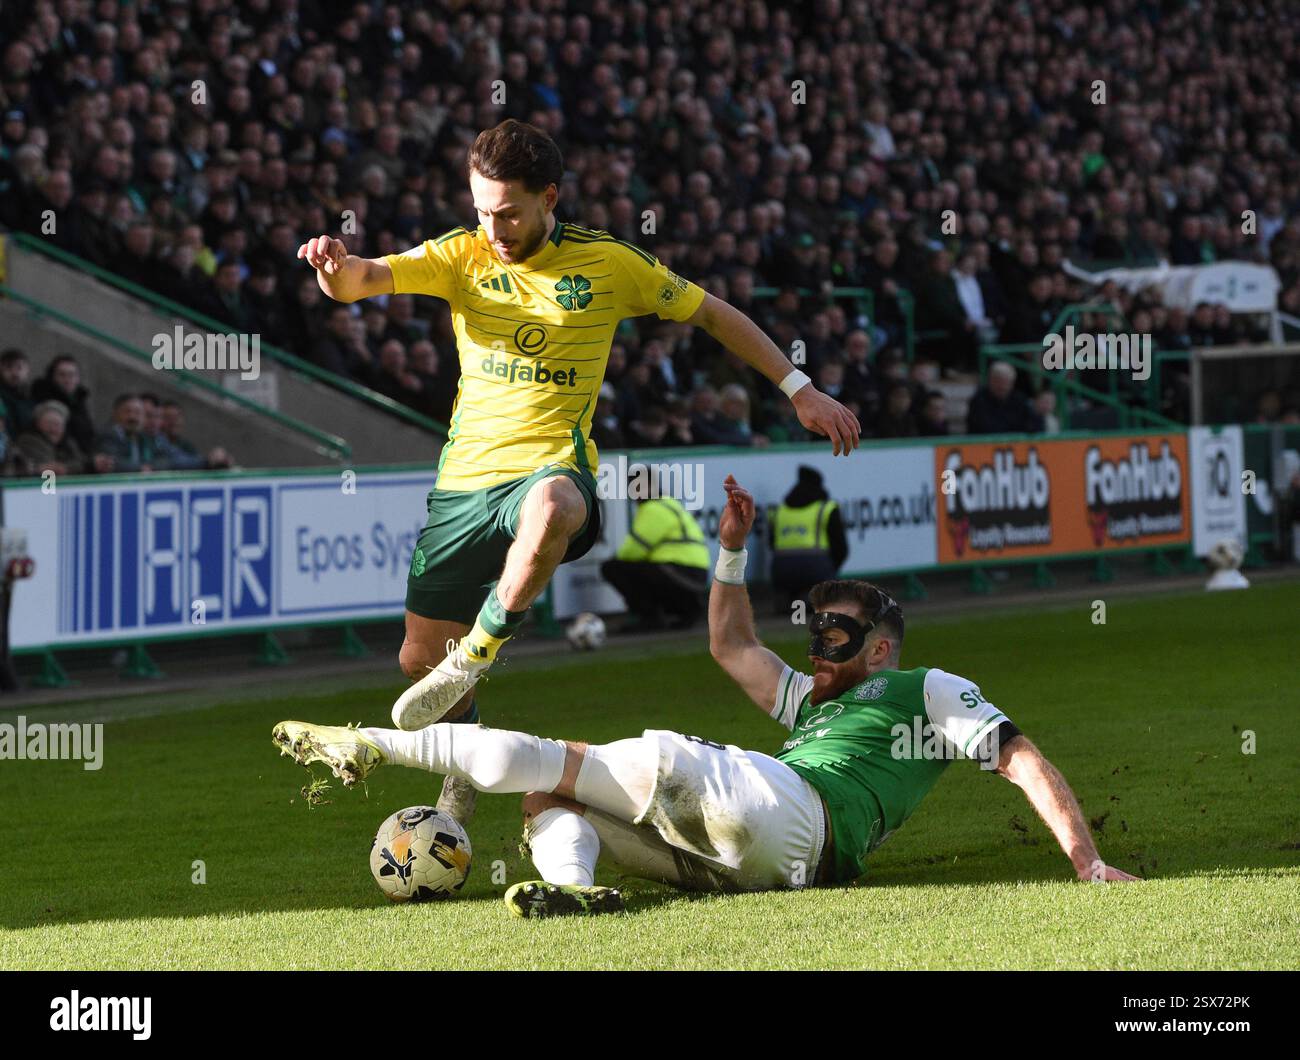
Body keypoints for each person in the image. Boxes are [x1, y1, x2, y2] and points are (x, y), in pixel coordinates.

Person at [295, 119, 860, 824]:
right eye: (481, 211)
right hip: (464, 485)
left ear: (549, 197)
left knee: (556, 504)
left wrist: (798, 388)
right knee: (416, 659)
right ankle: (465, 758)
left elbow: (713, 314)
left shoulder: (609, 264)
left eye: (507, 212)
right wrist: (331, 269)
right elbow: (365, 279)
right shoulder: (462, 254)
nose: (493, 227)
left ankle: (478, 652)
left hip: (552, 468)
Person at [272, 474, 1138, 919]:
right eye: (815, 627)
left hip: (795, 807)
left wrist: (1084, 860)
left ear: (880, 647)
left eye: (836, 632)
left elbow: (1022, 760)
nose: (816, 643)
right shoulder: (813, 702)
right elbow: (731, 643)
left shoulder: (926, 690)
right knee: (548, 792)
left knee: (554, 756)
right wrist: (731, 550)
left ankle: (370, 743)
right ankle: (574, 892)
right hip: (774, 866)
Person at [600, 488, 710, 631]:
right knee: (647, 570)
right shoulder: (670, 503)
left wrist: (615, 557)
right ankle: (688, 610)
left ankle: (650, 618)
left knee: (613, 568)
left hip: (683, 573)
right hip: (698, 575)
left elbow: (632, 551)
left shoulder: (652, 508)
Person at [769, 465, 847, 612]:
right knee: (828, 595)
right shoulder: (826, 508)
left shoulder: (780, 510)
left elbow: (771, 544)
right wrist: (830, 572)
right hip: (816, 569)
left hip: (782, 570)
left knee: (790, 598)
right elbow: (841, 548)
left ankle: (788, 600)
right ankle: (811, 598)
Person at [966, 361, 1045, 435]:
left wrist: (1038, 413)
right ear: (990, 380)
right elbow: (983, 429)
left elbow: (1033, 427)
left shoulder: (1019, 400)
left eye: (1006, 382)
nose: (1002, 386)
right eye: (998, 381)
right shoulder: (979, 400)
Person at [15, 400, 88, 475]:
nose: (53, 429)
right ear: (37, 423)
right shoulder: (28, 441)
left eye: (57, 424)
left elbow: (81, 463)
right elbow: (48, 467)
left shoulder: (69, 444)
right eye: (49, 423)